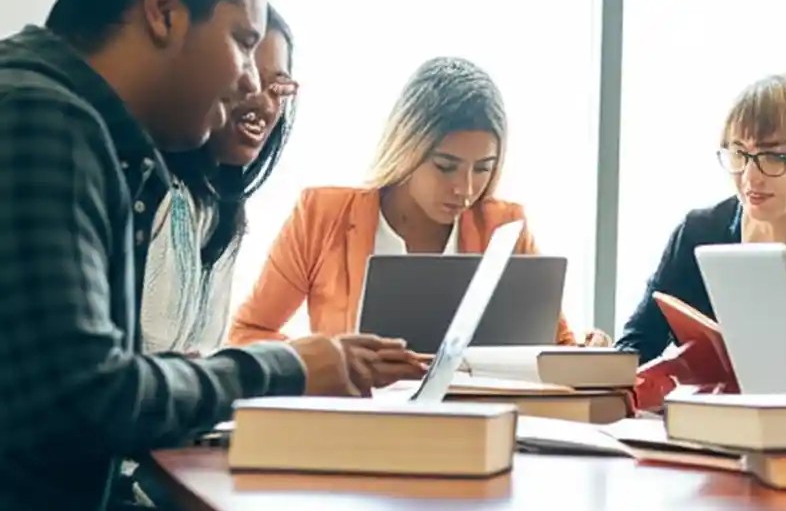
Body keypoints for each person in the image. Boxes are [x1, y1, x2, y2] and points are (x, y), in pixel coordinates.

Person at [0, 0, 421, 511]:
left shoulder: (73, 124)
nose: (251, 82)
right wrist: (286, 368)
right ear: (164, 9)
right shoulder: (43, 121)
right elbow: (87, 398)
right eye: (244, 42)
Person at [229, 55, 606, 347]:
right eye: (446, 166)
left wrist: (589, 354)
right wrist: (324, 361)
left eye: (482, 168)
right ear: (407, 149)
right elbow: (248, 332)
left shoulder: (505, 229)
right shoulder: (321, 215)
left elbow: (558, 349)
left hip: (471, 417)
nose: (465, 189)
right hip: (356, 417)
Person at [615, 73, 786, 363]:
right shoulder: (699, 233)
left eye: (772, 157)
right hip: (699, 393)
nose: (750, 177)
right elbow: (638, 343)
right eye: (739, 153)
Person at [141, 5, 298, 354]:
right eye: (249, 76)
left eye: (277, 88)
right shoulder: (148, 189)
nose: (265, 104)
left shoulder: (221, 209)